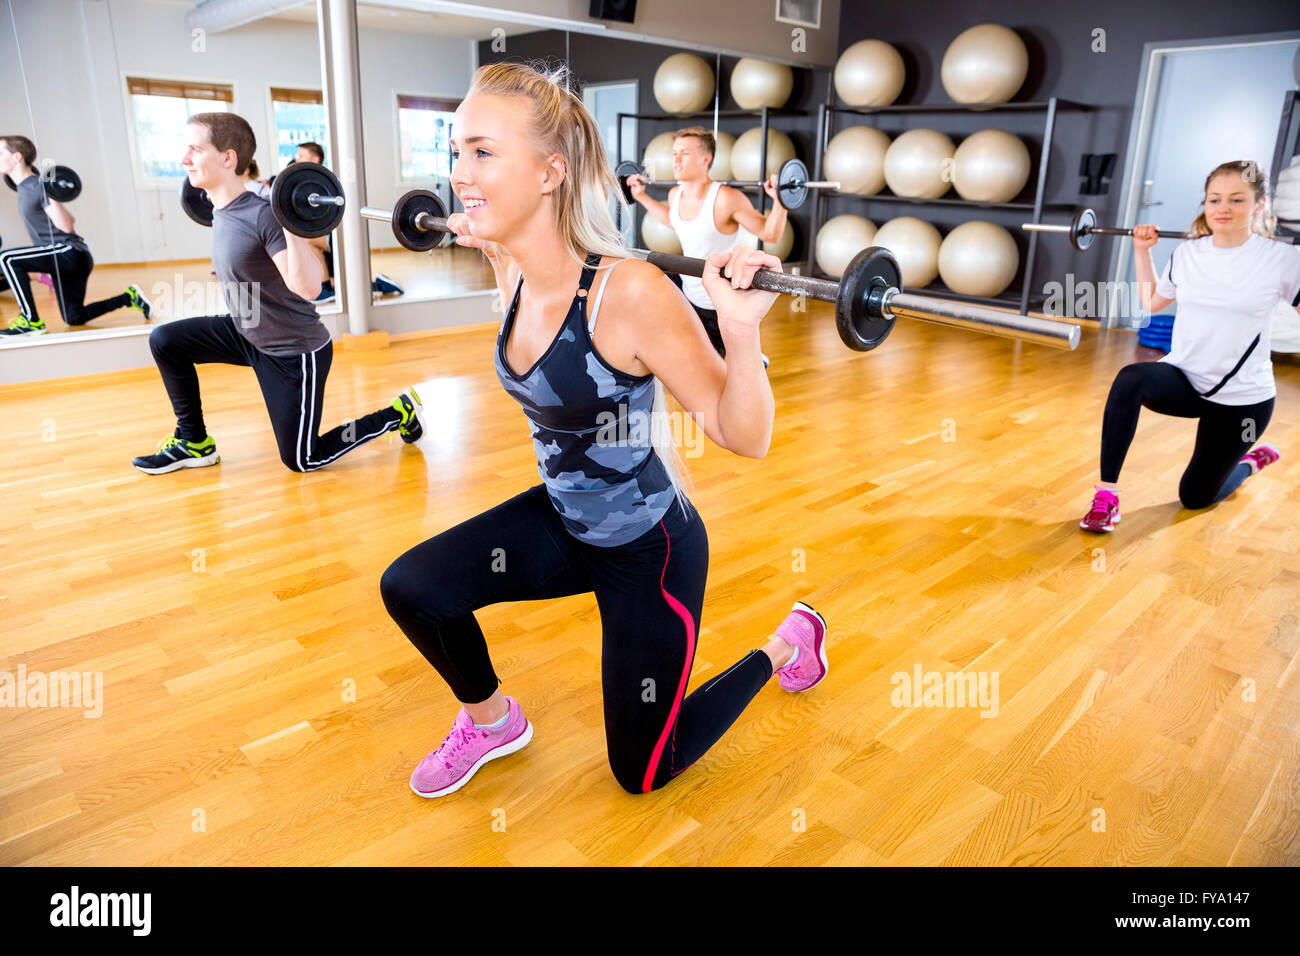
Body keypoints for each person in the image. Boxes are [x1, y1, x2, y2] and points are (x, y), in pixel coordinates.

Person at [379, 62, 828, 800]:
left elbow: (743, 435)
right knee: (413, 588)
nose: (460, 173)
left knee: (644, 771)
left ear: (551, 170)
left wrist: (740, 332)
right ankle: (491, 721)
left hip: (646, 550)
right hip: (563, 522)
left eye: (483, 153)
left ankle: (788, 642)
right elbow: (477, 230)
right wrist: (472, 225)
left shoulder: (634, 293)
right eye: (456, 152)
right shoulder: (510, 262)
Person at [131, 112, 426, 475]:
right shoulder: (220, 209)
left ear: (228, 159)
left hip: (291, 350)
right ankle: (194, 441)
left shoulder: (265, 215)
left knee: (303, 458)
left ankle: (396, 413)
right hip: (247, 331)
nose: (184, 159)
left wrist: (289, 218)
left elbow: (310, 287)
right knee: (165, 340)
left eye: (195, 149)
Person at [1080, 159, 1300, 532]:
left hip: (1243, 400)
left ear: (1259, 204)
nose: (1223, 209)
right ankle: (1106, 496)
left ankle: (1248, 462)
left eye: (1236, 199)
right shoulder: (1188, 253)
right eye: (1214, 200)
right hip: (1185, 380)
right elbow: (1152, 303)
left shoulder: (1282, 259)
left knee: (1195, 497)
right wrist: (1141, 250)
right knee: (1131, 378)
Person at [627, 126, 786, 364]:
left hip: (721, 303)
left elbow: (770, 233)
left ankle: (755, 359)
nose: (676, 160)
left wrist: (781, 201)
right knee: (694, 360)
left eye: (685, 154)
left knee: (736, 365)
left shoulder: (726, 199)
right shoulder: (675, 195)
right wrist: (641, 197)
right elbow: (674, 220)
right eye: (674, 154)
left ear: (706, 159)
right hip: (691, 294)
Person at [0, 136, 151, 335]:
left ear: (17, 157)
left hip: (69, 252)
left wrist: (51, 194)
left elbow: (67, 225)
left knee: (7, 258)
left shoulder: (38, 185)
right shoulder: (24, 188)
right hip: (65, 258)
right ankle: (129, 298)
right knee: (74, 317)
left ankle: (30, 321)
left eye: (1, 152)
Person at [293, 141, 404, 303]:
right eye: (297, 156)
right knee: (340, 284)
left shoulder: (323, 182)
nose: (297, 160)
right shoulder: (306, 182)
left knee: (308, 241)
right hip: (327, 234)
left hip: (339, 235)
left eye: (302, 156)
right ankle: (380, 284)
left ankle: (325, 289)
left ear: (316, 159)